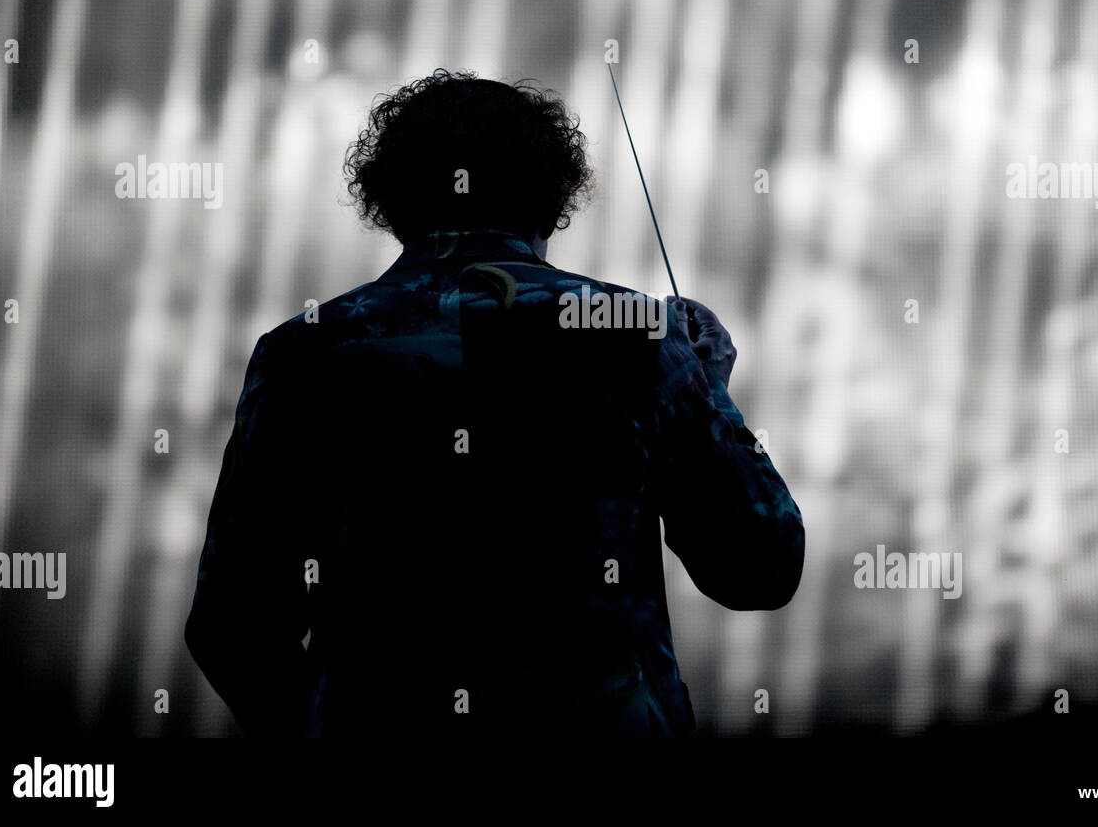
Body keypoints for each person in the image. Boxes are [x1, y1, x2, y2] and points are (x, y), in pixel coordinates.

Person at [184, 68, 804, 737]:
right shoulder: (632, 335)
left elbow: (232, 626)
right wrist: (706, 387)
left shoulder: (303, 353)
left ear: (391, 198)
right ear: (551, 194)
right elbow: (759, 565)